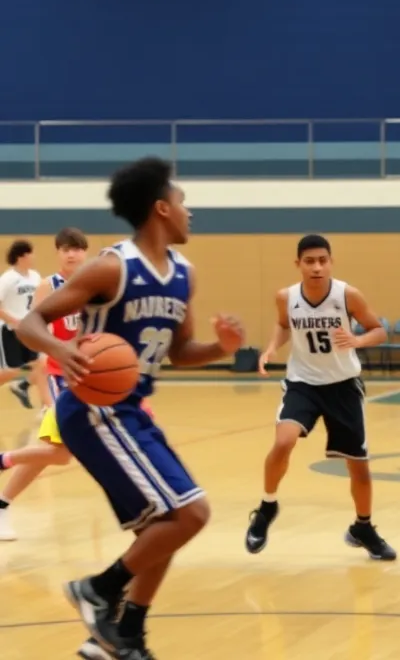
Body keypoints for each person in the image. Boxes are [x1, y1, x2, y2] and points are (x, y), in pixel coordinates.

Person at [17, 157, 245, 659]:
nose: (190, 214)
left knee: (161, 529)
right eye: (184, 204)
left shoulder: (184, 275)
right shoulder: (112, 267)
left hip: (132, 409)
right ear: (162, 208)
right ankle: (98, 589)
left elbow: (179, 353)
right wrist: (60, 350)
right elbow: (28, 323)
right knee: (191, 512)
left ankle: (123, 636)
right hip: (95, 409)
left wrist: (220, 349)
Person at [245, 234, 395, 560]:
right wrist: (272, 347)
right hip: (303, 383)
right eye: (309, 261)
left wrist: (357, 340)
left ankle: (363, 527)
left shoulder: (347, 295)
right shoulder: (286, 296)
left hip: (343, 385)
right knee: (283, 441)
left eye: (322, 260)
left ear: (331, 262)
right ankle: (267, 507)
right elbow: (284, 325)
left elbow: (379, 329)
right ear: (298, 264)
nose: (316, 267)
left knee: (359, 468)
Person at [0, 227, 89, 541]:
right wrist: (57, 351)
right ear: (58, 253)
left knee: (57, 453)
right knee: (62, 451)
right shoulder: (47, 286)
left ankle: (2, 497)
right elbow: (31, 328)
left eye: (76, 248)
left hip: (89, 376)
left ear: (85, 252)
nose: (71, 253)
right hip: (58, 374)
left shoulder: (97, 286)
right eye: (65, 248)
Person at [0, 239, 41, 409]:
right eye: (30, 253)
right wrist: (14, 320)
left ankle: (22, 386)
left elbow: (40, 300)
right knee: (12, 370)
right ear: (21, 256)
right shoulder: (8, 278)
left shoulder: (35, 276)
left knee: (40, 364)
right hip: (10, 330)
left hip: (29, 330)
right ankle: (17, 383)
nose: (33, 256)